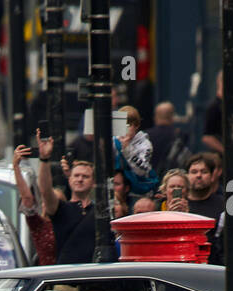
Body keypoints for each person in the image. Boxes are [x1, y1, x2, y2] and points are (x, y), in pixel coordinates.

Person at [37, 133, 105, 264]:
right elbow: (45, 190)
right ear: (69, 179)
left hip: (94, 277)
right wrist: (44, 159)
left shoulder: (101, 212)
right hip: (66, 278)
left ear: (93, 182)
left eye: (85, 177)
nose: (80, 179)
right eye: (76, 175)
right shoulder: (61, 208)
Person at [12, 143, 56, 263]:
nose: (49, 204)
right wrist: (16, 167)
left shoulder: (69, 222)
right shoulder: (39, 226)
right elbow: (27, 198)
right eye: (46, 201)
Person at [113, 105, 158, 194]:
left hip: (137, 191)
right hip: (118, 190)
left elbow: (141, 171)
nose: (124, 130)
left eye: (128, 125)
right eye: (121, 126)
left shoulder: (145, 145)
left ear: (136, 126)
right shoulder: (114, 141)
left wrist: (127, 149)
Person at [147, 101, 189, 172]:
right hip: (172, 177)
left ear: (155, 117)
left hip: (150, 177)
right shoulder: (180, 135)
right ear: (172, 116)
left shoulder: (146, 135)